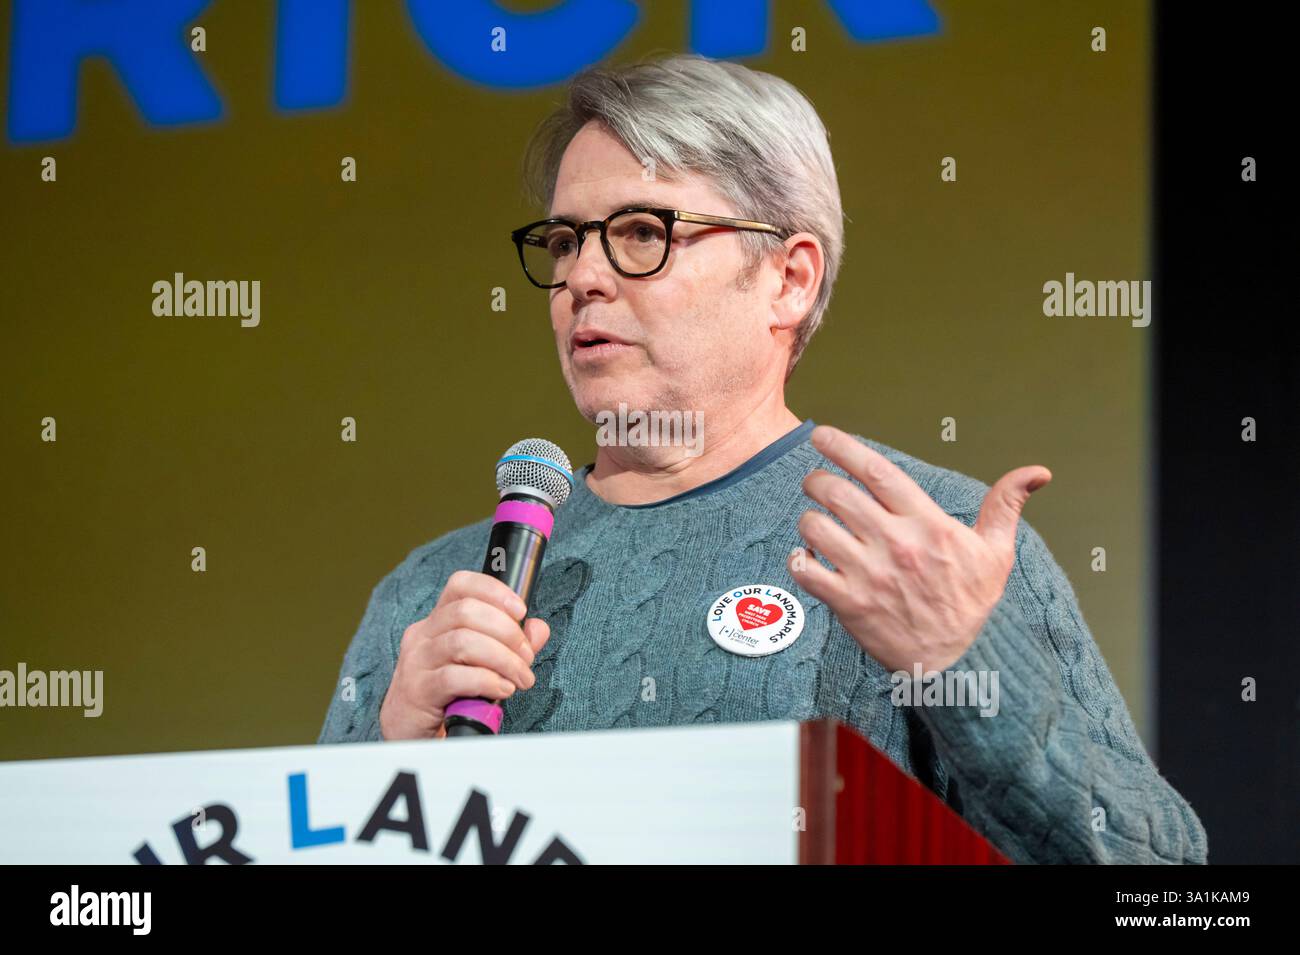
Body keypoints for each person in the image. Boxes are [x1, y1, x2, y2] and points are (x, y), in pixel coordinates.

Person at [318, 54, 1207, 865]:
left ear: (789, 278)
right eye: (562, 241)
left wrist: (972, 668)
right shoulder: (430, 593)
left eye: (638, 232)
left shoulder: (928, 549)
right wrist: (389, 765)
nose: (582, 277)